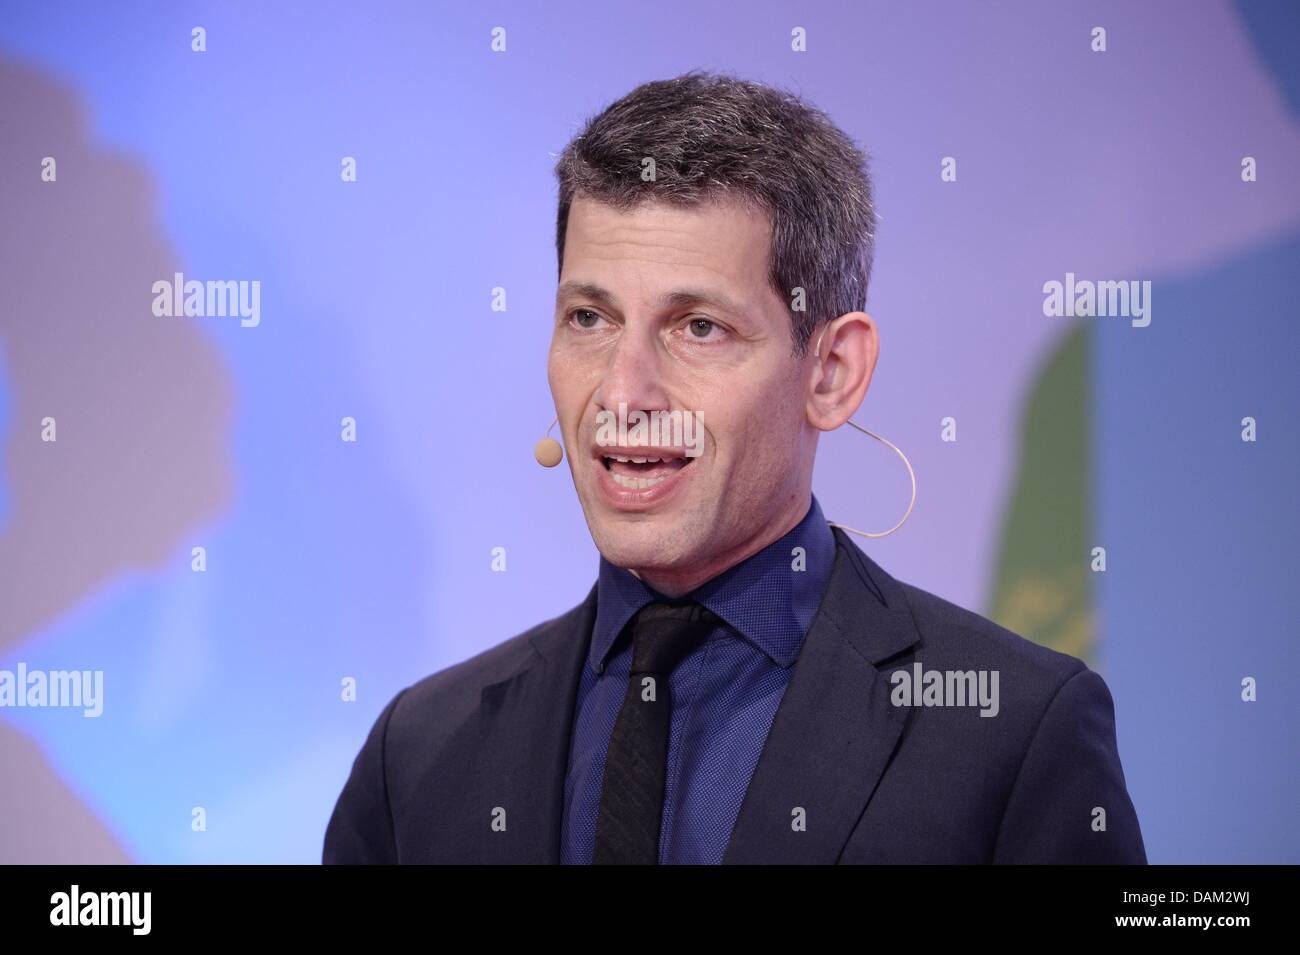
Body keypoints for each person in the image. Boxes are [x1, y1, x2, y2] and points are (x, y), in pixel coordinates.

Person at [323, 71, 1146, 864]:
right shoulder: (419, 751)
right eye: (589, 317)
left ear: (831, 372)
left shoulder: (1011, 729)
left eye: (700, 327)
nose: (622, 391)